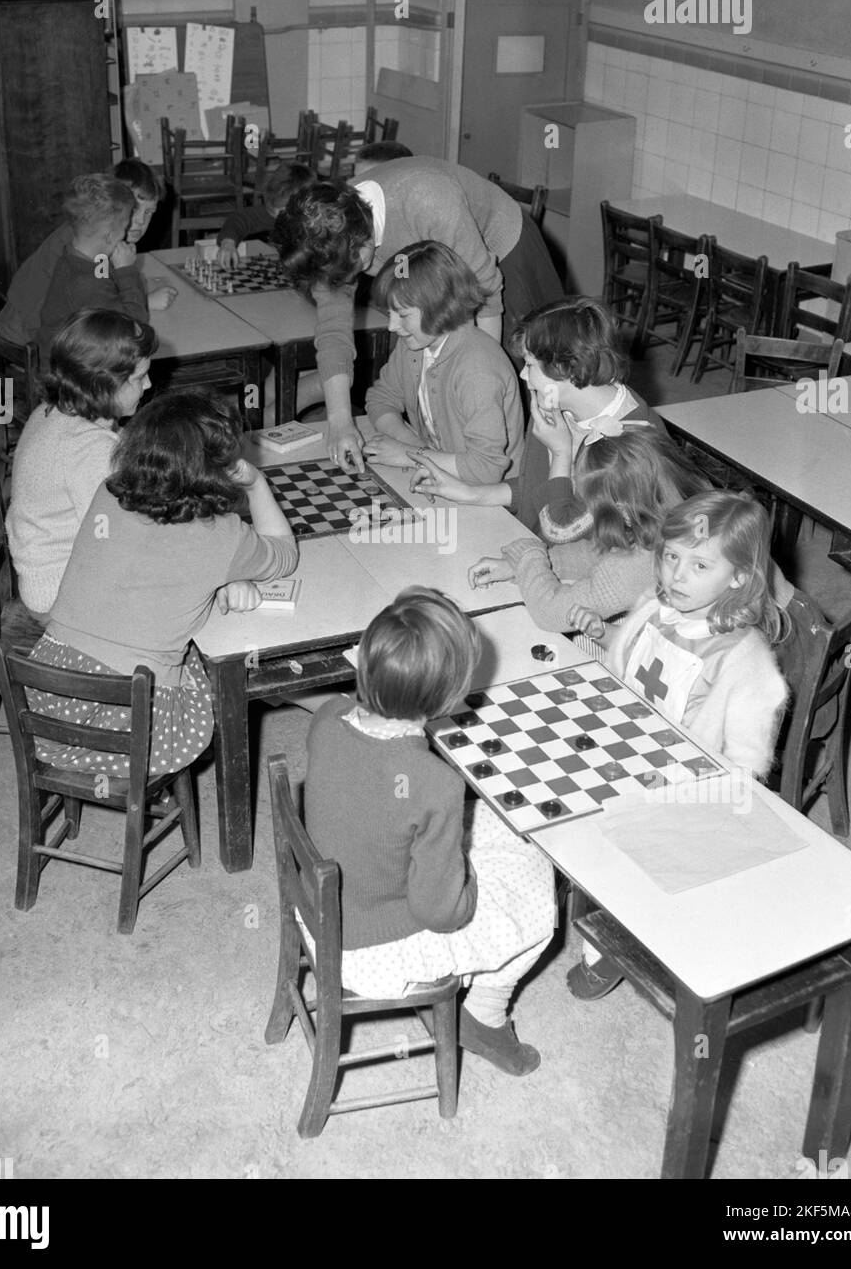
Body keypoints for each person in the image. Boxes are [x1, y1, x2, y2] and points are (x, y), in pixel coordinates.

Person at [304, 587, 555, 1075]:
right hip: (370, 949)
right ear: (449, 697)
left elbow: (374, 798)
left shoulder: (327, 717)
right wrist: (470, 880)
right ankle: (484, 1014)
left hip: (319, 910)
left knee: (494, 827)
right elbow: (440, 913)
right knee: (539, 895)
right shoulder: (434, 784)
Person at [565, 490, 789, 999]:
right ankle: (588, 892)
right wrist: (604, 635)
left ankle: (613, 941)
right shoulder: (654, 607)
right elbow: (623, 671)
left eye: (699, 565)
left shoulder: (746, 660)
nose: (676, 577)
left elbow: (749, 765)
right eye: (671, 557)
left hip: (687, 794)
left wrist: (685, 788)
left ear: (738, 578)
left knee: (618, 854)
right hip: (624, 754)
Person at [26, 389, 298, 778]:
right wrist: (255, 485)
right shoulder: (222, 534)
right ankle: (291, 695)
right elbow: (285, 553)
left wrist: (217, 580)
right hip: (131, 726)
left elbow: (153, 567)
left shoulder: (109, 493)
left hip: (46, 699)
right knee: (221, 663)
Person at [272, 157, 563, 470]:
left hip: (503, 250)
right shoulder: (328, 236)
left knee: (531, 374)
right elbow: (333, 335)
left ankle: (539, 480)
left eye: (350, 271)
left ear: (363, 243)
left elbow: (485, 291)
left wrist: (482, 366)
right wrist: (340, 422)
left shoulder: (427, 199)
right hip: (432, 260)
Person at [411, 297, 662, 538]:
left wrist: (561, 453)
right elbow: (536, 487)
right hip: (529, 541)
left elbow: (566, 536)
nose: (522, 375)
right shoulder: (551, 404)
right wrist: (470, 493)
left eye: (529, 365)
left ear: (566, 369)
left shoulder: (631, 445)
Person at [468, 429, 709, 632]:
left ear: (621, 509)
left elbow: (550, 614)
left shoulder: (638, 566)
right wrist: (520, 566)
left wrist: (528, 554)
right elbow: (598, 552)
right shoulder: (680, 519)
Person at [7, 309, 157, 621]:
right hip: (61, 596)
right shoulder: (91, 450)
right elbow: (119, 541)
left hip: (45, 574)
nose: (149, 385)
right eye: (139, 378)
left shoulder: (53, 411)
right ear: (103, 385)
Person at [364, 241, 524, 484]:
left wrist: (410, 455)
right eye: (389, 313)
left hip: (491, 501)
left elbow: (486, 469)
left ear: (439, 308)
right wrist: (414, 447)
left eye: (403, 315)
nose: (392, 326)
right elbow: (380, 399)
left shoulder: (477, 371)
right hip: (444, 480)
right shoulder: (414, 344)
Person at [0, 165, 174, 345]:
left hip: (22, 329)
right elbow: (110, 317)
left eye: (149, 212)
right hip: (27, 342)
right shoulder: (95, 249)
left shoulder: (89, 233)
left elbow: (103, 286)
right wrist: (144, 301)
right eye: (134, 209)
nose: (140, 221)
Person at [216, 160, 316, 269]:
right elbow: (240, 218)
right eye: (272, 211)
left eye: (283, 213)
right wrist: (228, 243)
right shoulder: (272, 211)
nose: (277, 218)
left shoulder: (318, 220)